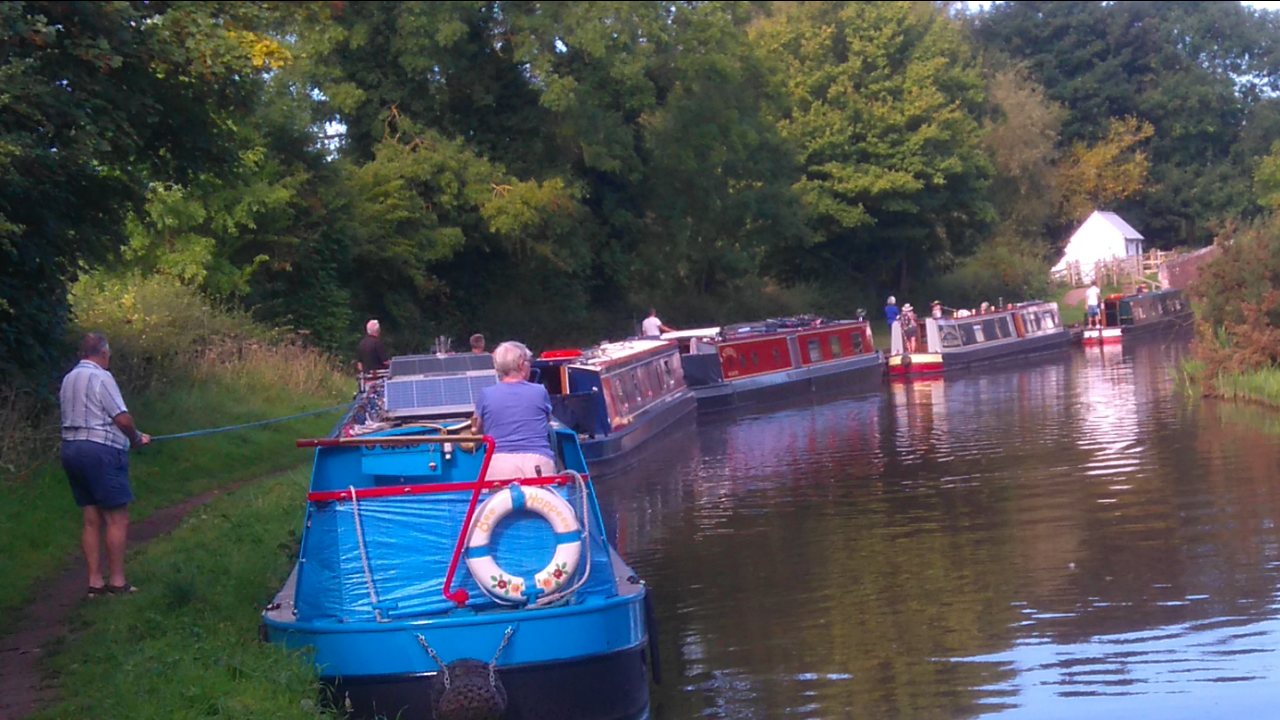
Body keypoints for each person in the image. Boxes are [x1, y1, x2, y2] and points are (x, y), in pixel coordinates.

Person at [59, 333, 151, 597]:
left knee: (91, 520)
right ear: (103, 353)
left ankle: (95, 583)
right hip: (101, 453)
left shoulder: (68, 379)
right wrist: (136, 439)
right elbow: (122, 419)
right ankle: (117, 583)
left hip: (71, 450)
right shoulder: (101, 377)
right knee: (117, 518)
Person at [472, 341, 555, 480]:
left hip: (499, 465)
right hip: (537, 463)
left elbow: (476, 430)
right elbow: (547, 421)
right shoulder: (540, 391)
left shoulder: (486, 394)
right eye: (529, 362)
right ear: (521, 365)